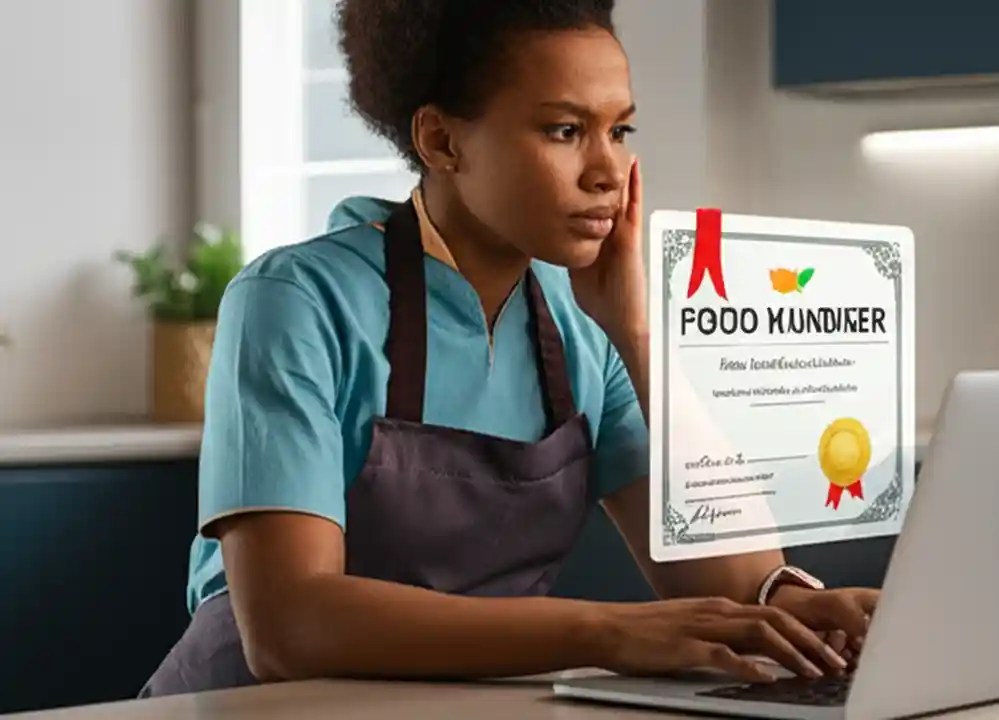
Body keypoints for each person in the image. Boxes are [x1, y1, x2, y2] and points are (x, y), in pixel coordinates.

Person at [141, 0, 880, 697]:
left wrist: (637, 334)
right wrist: (606, 632)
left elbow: (735, 578)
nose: (607, 172)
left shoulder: (581, 323)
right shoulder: (294, 299)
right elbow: (290, 626)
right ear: (442, 141)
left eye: (620, 131)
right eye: (565, 131)